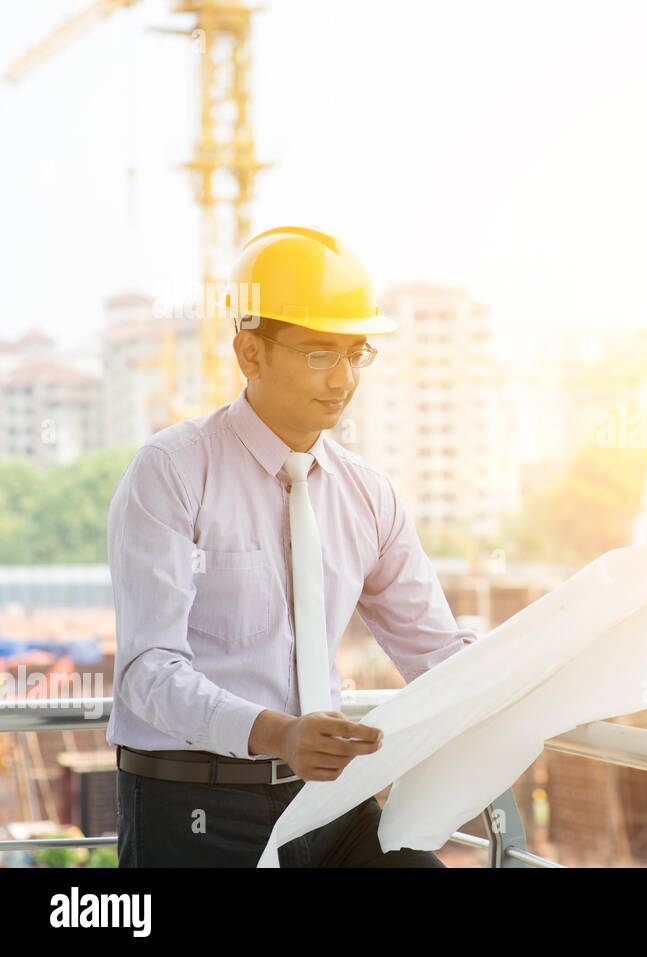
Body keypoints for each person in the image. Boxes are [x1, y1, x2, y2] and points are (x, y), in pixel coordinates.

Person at [107, 225, 477, 866]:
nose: (343, 379)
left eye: (354, 353)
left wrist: (544, 669)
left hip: (331, 806)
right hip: (194, 809)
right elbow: (148, 672)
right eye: (317, 354)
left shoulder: (368, 494)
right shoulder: (172, 471)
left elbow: (439, 653)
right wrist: (278, 734)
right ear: (249, 353)